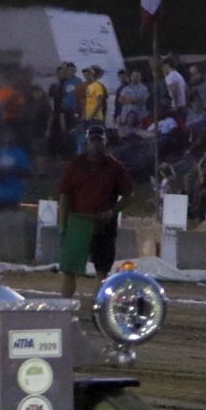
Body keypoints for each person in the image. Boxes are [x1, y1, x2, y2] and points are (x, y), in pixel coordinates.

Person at [58, 123, 135, 304]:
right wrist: (63, 223)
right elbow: (65, 195)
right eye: (93, 141)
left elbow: (129, 196)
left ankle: (98, 306)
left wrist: (112, 211)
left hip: (103, 223)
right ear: (87, 142)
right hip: (78, 222)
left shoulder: (115, 167)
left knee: (102, 269)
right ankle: (65, 306)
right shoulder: (75, 166)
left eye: (99, 141)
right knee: (69, 269)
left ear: (105, 142)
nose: (96, 144)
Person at [161, 57, 188, 123]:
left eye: (163, 66)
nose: (163, 68)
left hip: (175, 107)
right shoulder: (179, 75)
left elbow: (173, 92)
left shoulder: (170, 77)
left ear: (167, 65)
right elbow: (186, 89)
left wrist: (175, 106)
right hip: (183, 105)